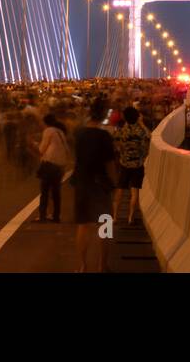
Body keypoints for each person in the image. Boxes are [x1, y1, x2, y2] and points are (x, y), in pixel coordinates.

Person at [71, 96, 116, 272]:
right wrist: (114, 183)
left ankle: (83, 265)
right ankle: (102, 266)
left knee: (83, 225)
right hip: (100, 185)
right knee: (105, 225)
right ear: (104, 114)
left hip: (82, 182)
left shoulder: (79, 133)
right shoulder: (104, 136)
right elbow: (110, 164)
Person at [112, 106, 150, 226]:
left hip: (124, 163)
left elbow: (117, 145)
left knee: (120, 190)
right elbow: (149, 139)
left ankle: (114, 217)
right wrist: (142, 123)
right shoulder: (141, 131)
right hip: (137, 165)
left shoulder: (122, 130)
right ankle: (130, 218)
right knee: (135, 192)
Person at [35, 113, 69, 223]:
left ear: (45, 122)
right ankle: (56, 216)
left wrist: (34, 144)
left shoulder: (48, 131)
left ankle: (42, 216)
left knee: (44, 191)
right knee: (56, 192)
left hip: (50, 164)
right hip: (60, 164)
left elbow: (41, 149)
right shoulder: (60, 131)